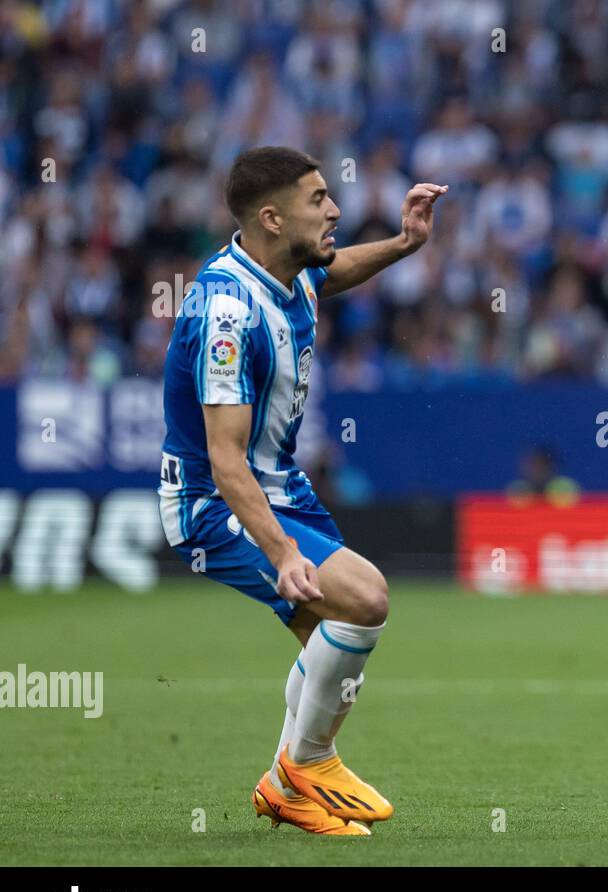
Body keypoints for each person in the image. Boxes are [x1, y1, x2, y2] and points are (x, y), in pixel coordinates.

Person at [157, 146, 446, 836]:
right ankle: (306, 763)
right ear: (271, 218)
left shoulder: (290, 266)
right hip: (214, 502)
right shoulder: (227, 315)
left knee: (329, 640)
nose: (336, 209)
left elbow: (333, 272)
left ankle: (287, 779)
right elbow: (225, 460)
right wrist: (284, 552)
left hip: (280, 485)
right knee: (365, 598)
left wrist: (405, 245)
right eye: (318, 199)